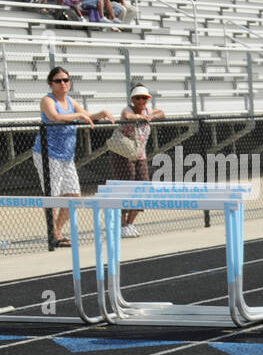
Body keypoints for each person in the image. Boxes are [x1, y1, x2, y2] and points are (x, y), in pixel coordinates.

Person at [32, 67, 114, 247]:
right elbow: (54, 117)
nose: (63, 83)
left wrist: (101, 113)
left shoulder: (71, 101)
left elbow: (87, 115)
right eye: (58, 81)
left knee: (74, 195)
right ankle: (53, 235)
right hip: (48, 154)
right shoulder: (47, 100)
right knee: (53, 196)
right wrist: (78, 115)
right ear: (51, 83)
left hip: (67, 156)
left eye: (66, 80)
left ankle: (56, 230)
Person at [107, 84, 165, 237]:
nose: (141, 101)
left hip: (140, 155)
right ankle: (122, 223)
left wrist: (150, 116)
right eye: (137, 98)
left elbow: (161, 113)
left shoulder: (147, 110)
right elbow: (127, 116)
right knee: (126, 187)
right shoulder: (128, 110)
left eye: (144, 98)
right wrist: (138, 117)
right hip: (124, 154)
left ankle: (130, 224)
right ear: (132, 99)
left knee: (143, 187)